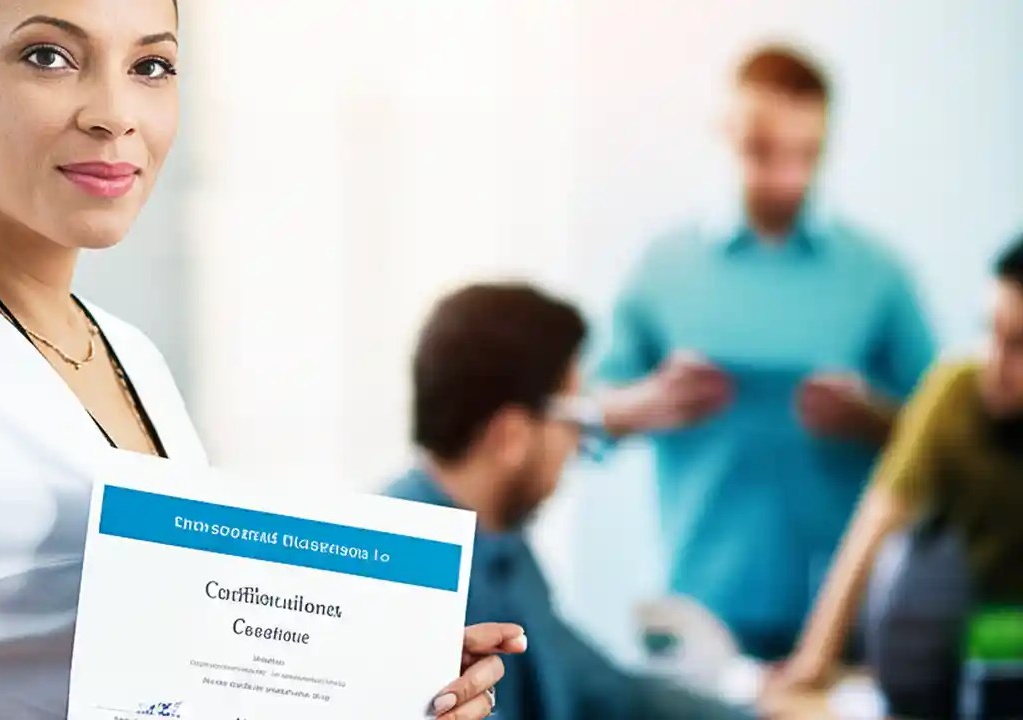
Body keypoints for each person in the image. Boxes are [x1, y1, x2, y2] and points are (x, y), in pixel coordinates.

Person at [0, 2, 520, 718]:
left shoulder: (129, 356)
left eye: (150, 67)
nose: (114, 115)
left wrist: (367, 676)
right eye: (48, 56)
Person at [594, 44, 937, 660]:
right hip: (695, 612)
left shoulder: (879, 275)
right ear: (724, 130)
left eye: (807, 155)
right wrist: (653, 403)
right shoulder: (661, 268)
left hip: (845, 619)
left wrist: (872, 421)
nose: (787, 177)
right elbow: (586, 421)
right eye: (762, 151)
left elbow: (941, 438)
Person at [387, 283, 753, 720]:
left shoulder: (502, 549)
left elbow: (603, 690)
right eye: (576, 419)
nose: (578, 445)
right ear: (511, 436)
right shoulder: (399, 575)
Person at [771, 233, 1023, 692]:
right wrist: (812, 663)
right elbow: (875, 522)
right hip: (967, 640)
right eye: (990, 331)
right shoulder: (954, 391)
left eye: (1019, 345)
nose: (994, 364)